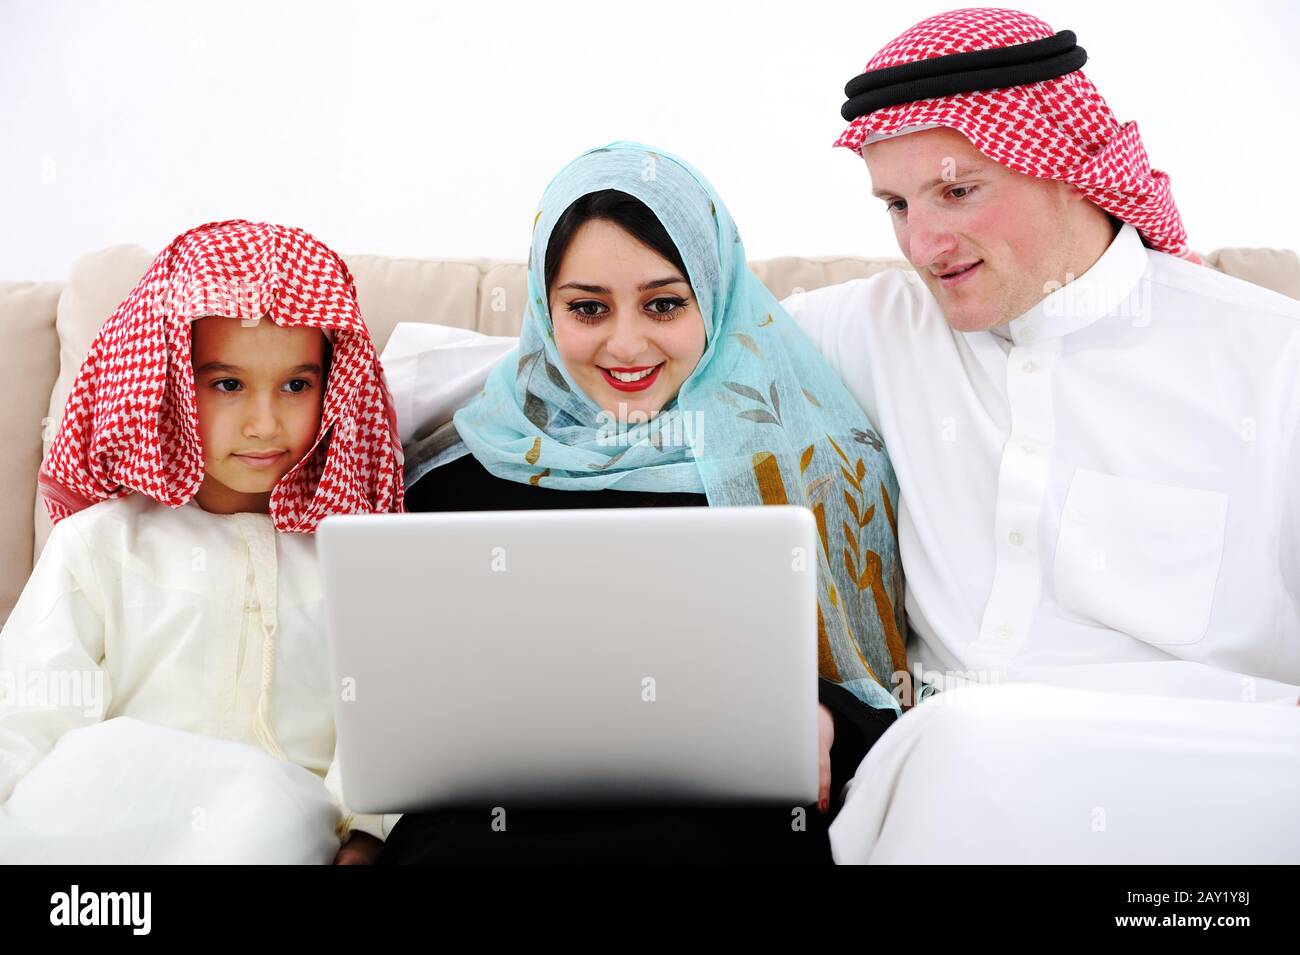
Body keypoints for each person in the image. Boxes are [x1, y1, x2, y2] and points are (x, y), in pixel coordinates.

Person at [779, 7, 1300, 862]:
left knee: (970, 742)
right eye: (897, 204)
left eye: (957, 190)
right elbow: (637, 346)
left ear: (1066, 166)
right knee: (963, 742)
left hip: (1210, 772)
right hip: (953, 771)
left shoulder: (1272, 357)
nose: (924, 242)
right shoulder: (876, 326)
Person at [382, 142, 905, 864]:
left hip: (718, 823)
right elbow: (403, 705)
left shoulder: (807, 466)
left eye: (664, 304)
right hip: (492, 825)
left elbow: (885, 698)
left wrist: (825, 717)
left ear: (715, 300)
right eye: (588, 308)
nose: (626, 345)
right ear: (543, 305)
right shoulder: (456, 476)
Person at [0, 220, 405, 864]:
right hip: (109, 817)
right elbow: (23, 723)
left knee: (260, 819)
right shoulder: (98, 546)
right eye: (227, 384)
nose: (265, 422)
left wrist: (364, 834)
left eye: (297, 385)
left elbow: (386, 727)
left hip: (277, 828)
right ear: (163, 384)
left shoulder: (357, 562)